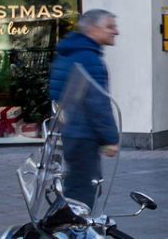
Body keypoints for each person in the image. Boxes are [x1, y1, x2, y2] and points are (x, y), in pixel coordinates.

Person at [48, 10, 120, 208]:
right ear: (93, 29)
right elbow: (97, 103)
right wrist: (110, 138)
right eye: (110, 26)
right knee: (82, 193)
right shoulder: (89, 59)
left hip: (71, 131)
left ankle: (62, 220)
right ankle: (66, 224)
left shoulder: (68, 53)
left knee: (77, 186)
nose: (116, 31)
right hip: (83, 134)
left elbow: (56, 94)